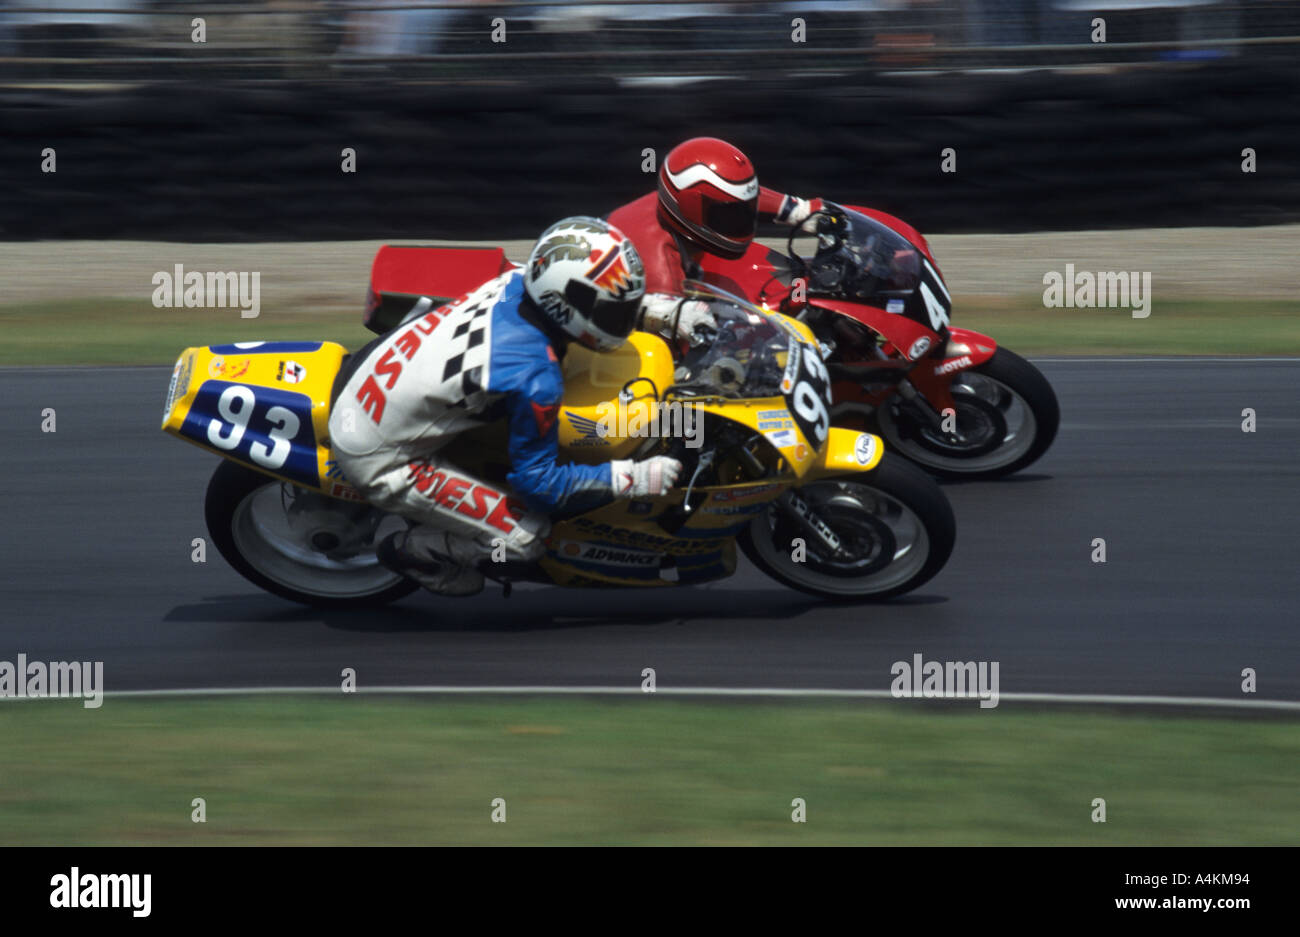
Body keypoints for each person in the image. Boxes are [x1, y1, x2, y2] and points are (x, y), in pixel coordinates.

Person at [328, 217, 684, 597]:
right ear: (565, 305)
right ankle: (414, 552)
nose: (624, 322)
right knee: (524, 539)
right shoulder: (534, 377)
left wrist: (660, 312)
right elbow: (540, 486)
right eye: (619, 313)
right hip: (383, 454)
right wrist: (635, 478)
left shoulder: (517, 280)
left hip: (374, 370)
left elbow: (591, 296)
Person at [609, 136, 824, 347]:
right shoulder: (662, 266)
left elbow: (735, 196)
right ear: (690, 208)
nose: (741, 222)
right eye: (729, 215)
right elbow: (680, 345)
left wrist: (798, 211)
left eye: (744, 211)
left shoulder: (675, 201)